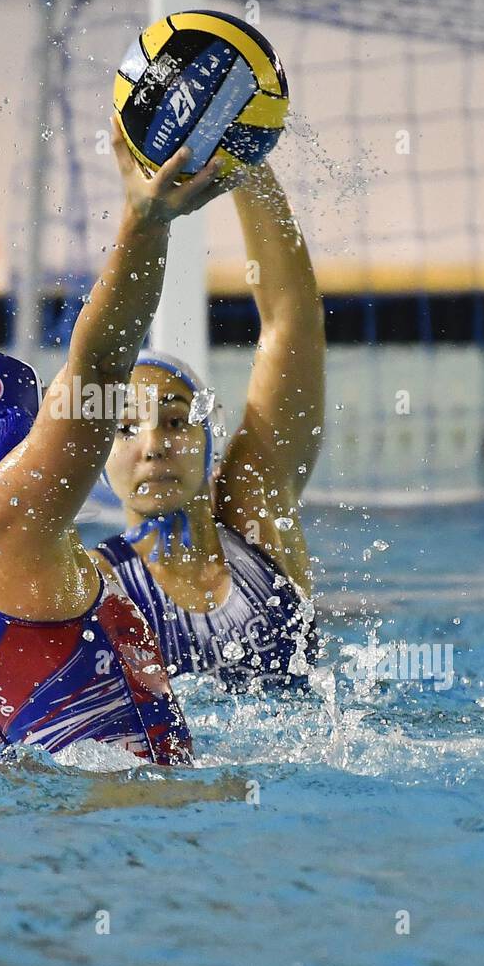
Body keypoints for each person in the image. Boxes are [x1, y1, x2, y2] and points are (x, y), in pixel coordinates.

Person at [0, 122, 226, 763]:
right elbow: (99, 366)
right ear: (7, 432)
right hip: (155, 824)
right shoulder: (14, 517)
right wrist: (145, 223)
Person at [89, 161, 324, 690]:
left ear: (209, 437)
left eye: (175, 420)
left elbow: (292, 322)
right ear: (96, 455)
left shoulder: (255, 514)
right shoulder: (91, 585)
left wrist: (247, 161)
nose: (153, 446)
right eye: (125, 429)